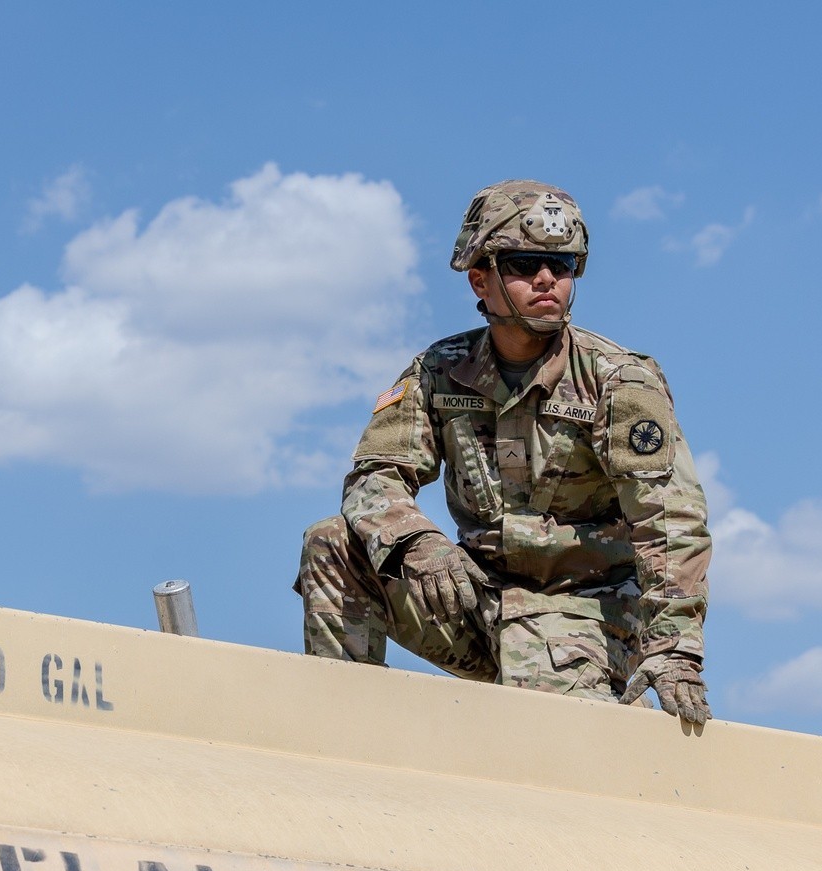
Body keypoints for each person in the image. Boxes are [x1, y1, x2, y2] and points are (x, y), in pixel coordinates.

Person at [295, 179, 712, 725]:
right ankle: (343, 733)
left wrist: (675, 649)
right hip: (474, 596)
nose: (546, 280)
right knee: (332, 542)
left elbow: (670, 521)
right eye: (522, 263)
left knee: (543, 742)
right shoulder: (439, 370)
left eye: (561, 268)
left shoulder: (618, 381)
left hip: (587, 612)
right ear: (480, 278)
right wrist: (419, 544)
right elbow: (376, 475)